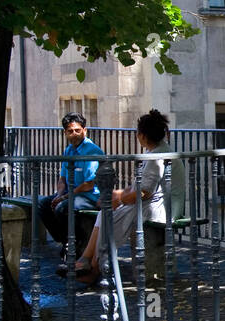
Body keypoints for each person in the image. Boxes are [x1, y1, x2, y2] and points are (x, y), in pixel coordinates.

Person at [74, 109, 184, 284]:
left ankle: (94, 267)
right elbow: (138, 188)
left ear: (142, 135)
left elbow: (144, 192)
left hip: (162, 208)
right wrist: (115, 195)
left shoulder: (157, 156)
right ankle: (88, 260)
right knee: (106, 212)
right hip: (156, 203)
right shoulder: (154, 151)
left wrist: (119, 199)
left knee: (113, 216)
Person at [38, 113, 104, 255]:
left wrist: (63, 198)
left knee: (61, 208)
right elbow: (62, 178)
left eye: (77, 130)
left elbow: (89, 184)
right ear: (65, 133)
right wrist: (59, 194)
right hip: (70, 194)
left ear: (84, 130)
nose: (74, 134)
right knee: (43, 204)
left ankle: (73, 244)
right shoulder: (68, 150)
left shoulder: (91, 151)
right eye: (70, 131)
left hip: (89, 196)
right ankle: (65, 241)